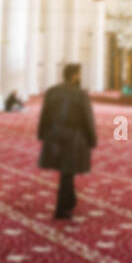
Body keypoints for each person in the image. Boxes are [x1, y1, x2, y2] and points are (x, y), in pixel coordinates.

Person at [37, 63, 97, 220]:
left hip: (54, 136)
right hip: (73, 138)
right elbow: (87, 120)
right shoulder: (80, 94)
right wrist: (92, 139)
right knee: (67, 174)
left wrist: (42, 135)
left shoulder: (52, 92)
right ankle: (61, 209)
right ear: (75, 75)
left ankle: (69, 203)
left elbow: (44, 116)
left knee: (66, 174)